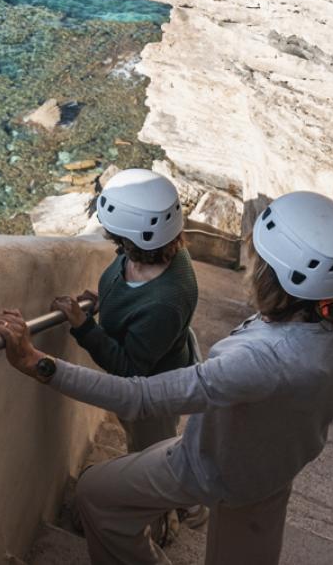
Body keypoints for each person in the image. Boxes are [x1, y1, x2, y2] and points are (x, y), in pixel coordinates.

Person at [0, 191, 333, 565]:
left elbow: (138, 397)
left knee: (95, 493)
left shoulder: (260, 360)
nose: (251, 266)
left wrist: (36, 362)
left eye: (259, 259)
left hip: (212, 467)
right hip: (274, 470)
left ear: (272, 275)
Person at [50, 168, 199, 454]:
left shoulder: (164, 301)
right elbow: (134, 301)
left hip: (153, 396)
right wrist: (103, 300)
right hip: (162, 358)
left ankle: (151, 497)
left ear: (131, 240)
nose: (111, 239)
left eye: (117, 236)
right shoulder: (159, 250)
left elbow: (130, 367)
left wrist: (84, 326)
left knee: (148, 452)